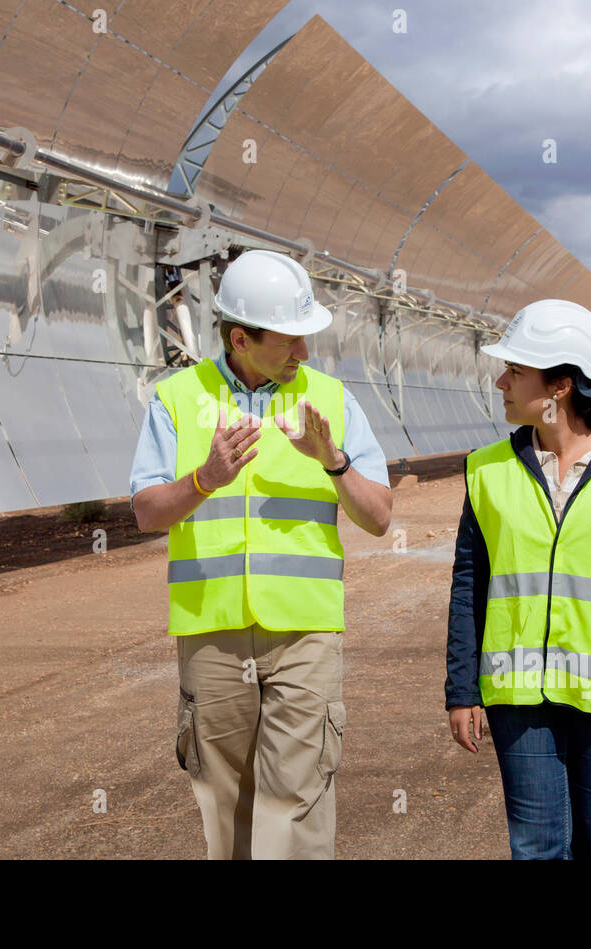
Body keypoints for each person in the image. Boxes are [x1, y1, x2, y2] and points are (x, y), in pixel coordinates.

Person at [130, 248, 392, 859]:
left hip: (304, 636)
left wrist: (333, 461)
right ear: (241, 338)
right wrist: (204, 479)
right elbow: (146, 514)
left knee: (295, 807)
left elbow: (379, 518)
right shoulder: (175, 401)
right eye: (290, 341)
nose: (303, 354)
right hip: (212, 635)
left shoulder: (330, 399)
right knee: (228, 811)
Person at [445, 298, 591, 859]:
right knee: (536, 846)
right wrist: (461, 690)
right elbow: (469, 584)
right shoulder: (486, 470)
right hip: (517, 692)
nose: (500, 380)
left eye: (516, 371)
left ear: (560, 385)